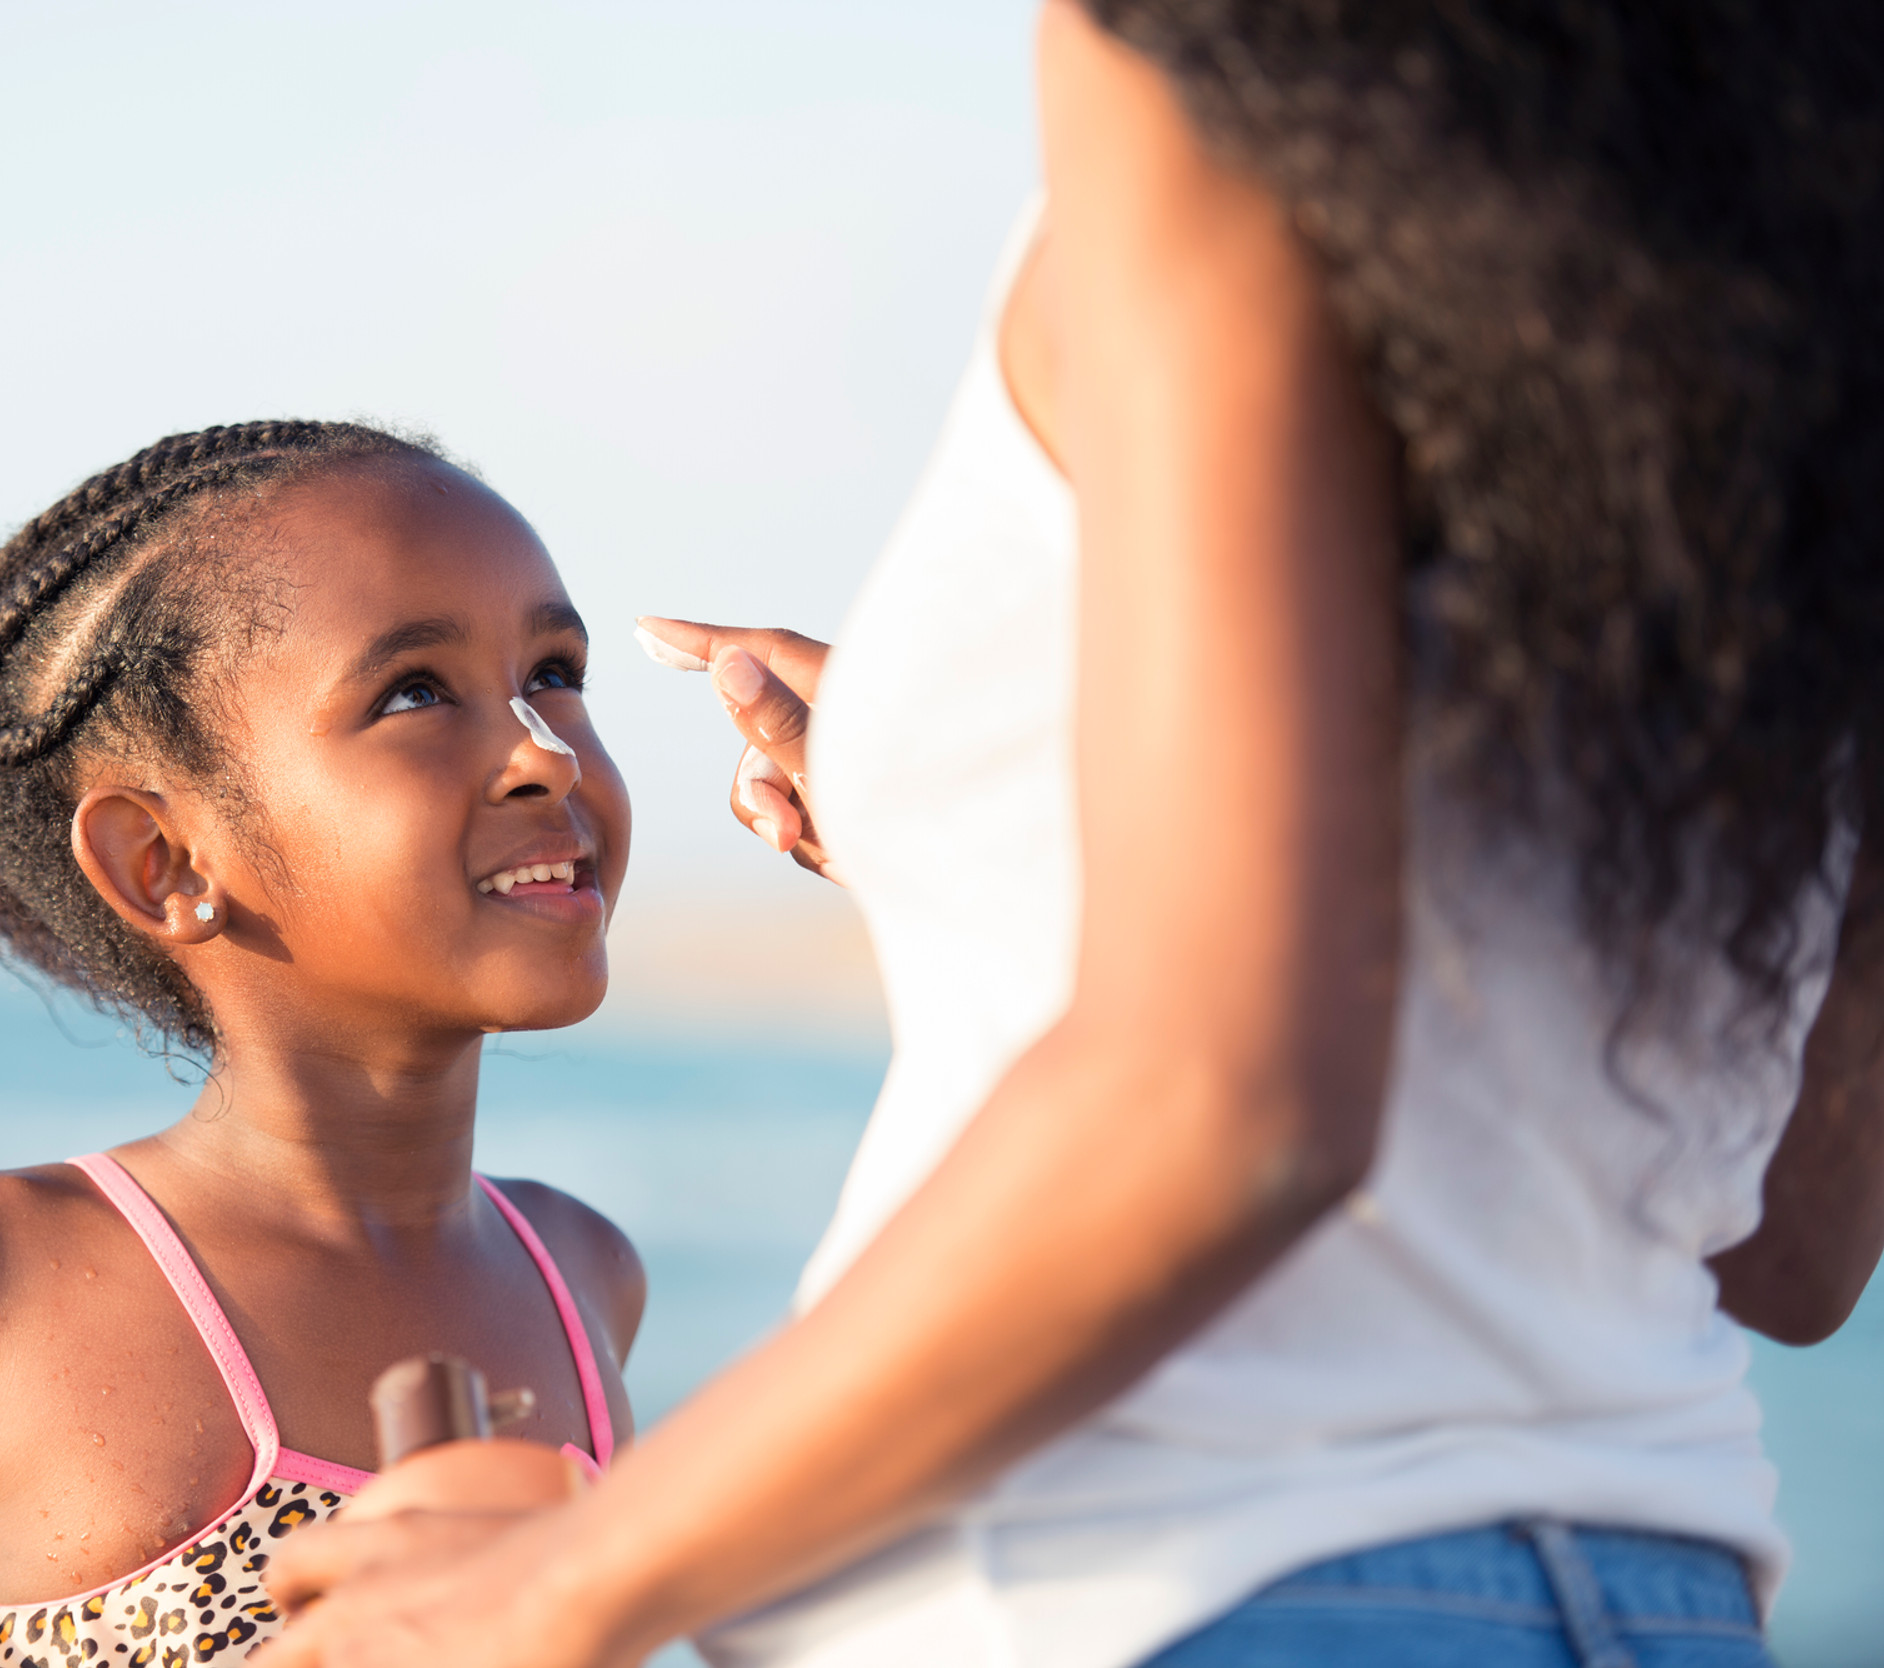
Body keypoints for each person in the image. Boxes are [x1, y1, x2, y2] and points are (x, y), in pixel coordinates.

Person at [261, 4, 1884, 1664]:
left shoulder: (1208, 70)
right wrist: (987, 808)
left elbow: (1226, 1097)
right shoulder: (1793, 232)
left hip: (1155, 1586)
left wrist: (573, 1570)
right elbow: (1801, 1228)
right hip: (1656, 1589)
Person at [0, 420, 644, 1668]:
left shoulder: (583, 1279)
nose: (543, 754)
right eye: (414, 692)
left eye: (553, 670)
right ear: (164, 862)